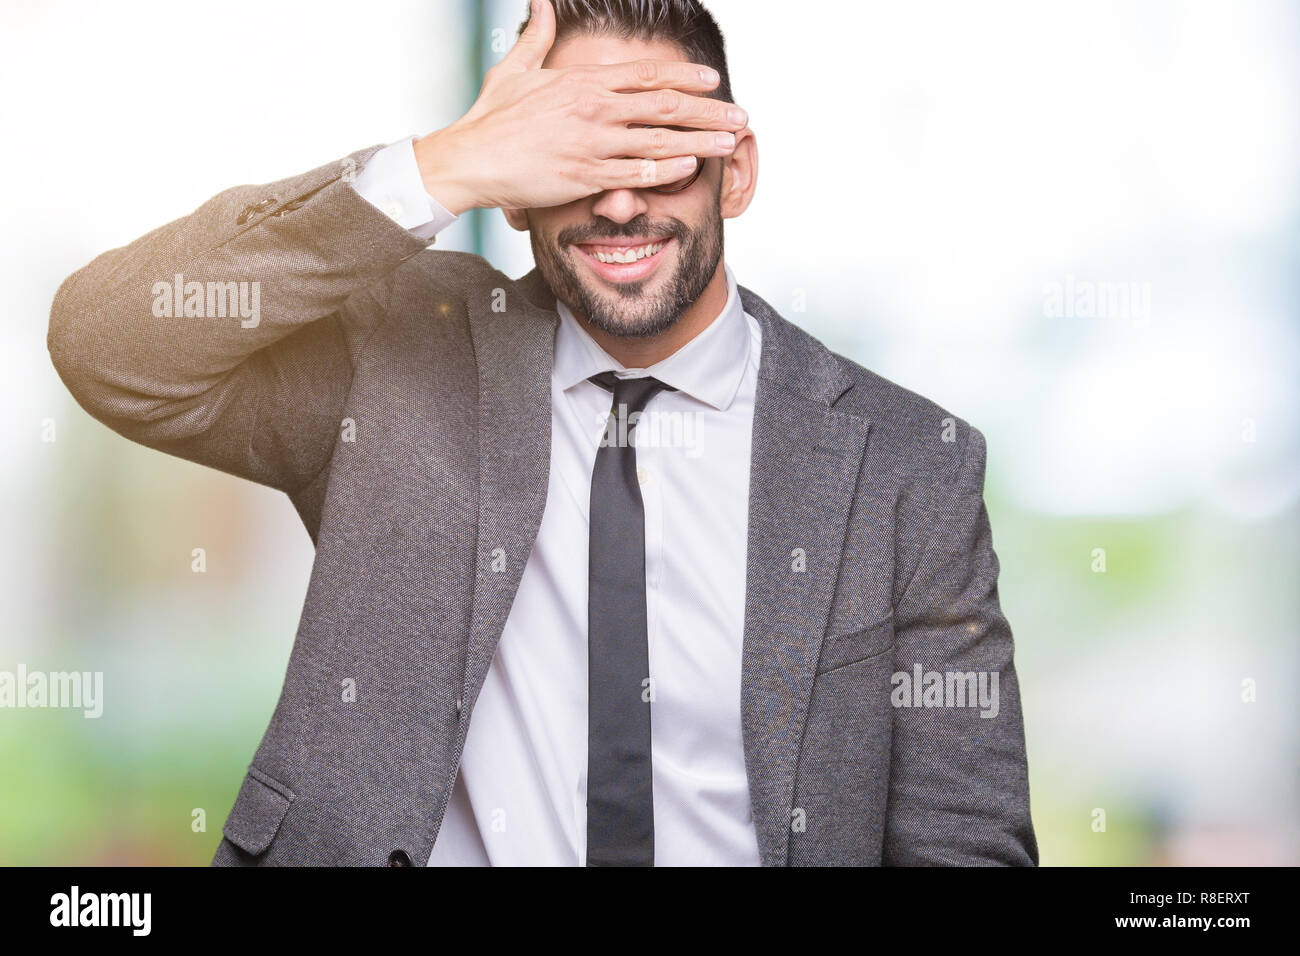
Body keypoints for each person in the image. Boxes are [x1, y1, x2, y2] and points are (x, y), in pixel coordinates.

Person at [47, 0, 1037, 866]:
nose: (617, 197)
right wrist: (438, 166)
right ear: (514, 184)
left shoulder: (908, 465)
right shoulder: (401, 362)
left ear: (734, 173)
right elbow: (111, 344)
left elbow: (965, 841)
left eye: (653, 146)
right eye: (573, 155)